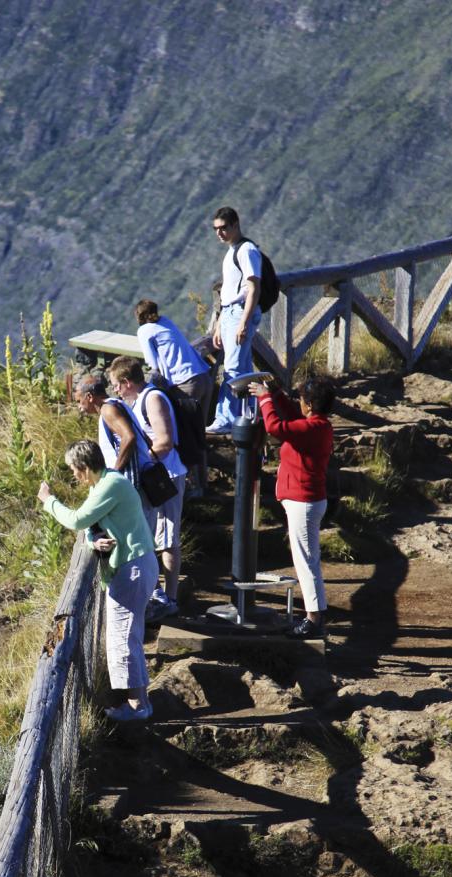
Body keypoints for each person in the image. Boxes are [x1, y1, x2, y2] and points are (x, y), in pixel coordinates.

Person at [37, 440, 159, 721]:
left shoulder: (109, 486)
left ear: (83, 467)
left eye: (73, 470)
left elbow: (78, 519)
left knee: (123, 637)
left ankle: (137, 706)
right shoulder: (106, 484)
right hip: (135, 565)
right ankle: (140, 701)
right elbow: (94, 525)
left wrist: (49, 501)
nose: (73, 475)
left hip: (132, 569)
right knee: (128, 634)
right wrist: (94, 541)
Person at [249, 376, 335, 638]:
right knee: (307, 559)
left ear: (308, 404)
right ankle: (315, 615)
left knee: (306, 561)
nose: (298, 404)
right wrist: (276, 394)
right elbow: (289, 418)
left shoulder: (312, 429)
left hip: (304, 503)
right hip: (305, 501)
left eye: (301, 400)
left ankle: (313, 619)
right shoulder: (317, 425)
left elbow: (276, 426)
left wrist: (264, 397)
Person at [106, 355, 186, 621]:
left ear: (127, 382)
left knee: (167, 539)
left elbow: (164, 441)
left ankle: (169, 600)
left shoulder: (151, 399)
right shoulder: (140, 400)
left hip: (165, 478)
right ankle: (159, 595)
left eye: (117, 384)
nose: (115, 390)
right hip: (155, 477)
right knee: (153, 537)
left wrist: (141, 463)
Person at [134, 299, 214, 496]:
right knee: (198, 434)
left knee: (186, 435)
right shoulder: (166, 321)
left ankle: (191, 486)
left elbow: (152, 363)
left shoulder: (144, 331)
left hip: (185, 383)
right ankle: (202, 485)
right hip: (203, 377)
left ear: (139, 316)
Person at [208, 207, 264, 433]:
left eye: (223, 228)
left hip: (241, 312)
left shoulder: (246, 250)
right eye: (216, 229)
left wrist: (243, 322)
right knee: (243, 369)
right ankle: (249, 415)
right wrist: (221, 323)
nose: (219, 233)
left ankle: (227, 420)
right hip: (232, 313)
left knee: (231, 369)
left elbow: (253, 288)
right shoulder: (232, 251)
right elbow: (228, 293)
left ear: (235, 225)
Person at [74, 373, 153, 483]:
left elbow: (129, 436)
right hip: (145, 474)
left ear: (89, 397)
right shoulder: (117, 404)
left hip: (137, 479)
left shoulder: (107, 410)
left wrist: (115, 472)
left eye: (79, 401)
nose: (79, 407)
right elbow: (146, 439)